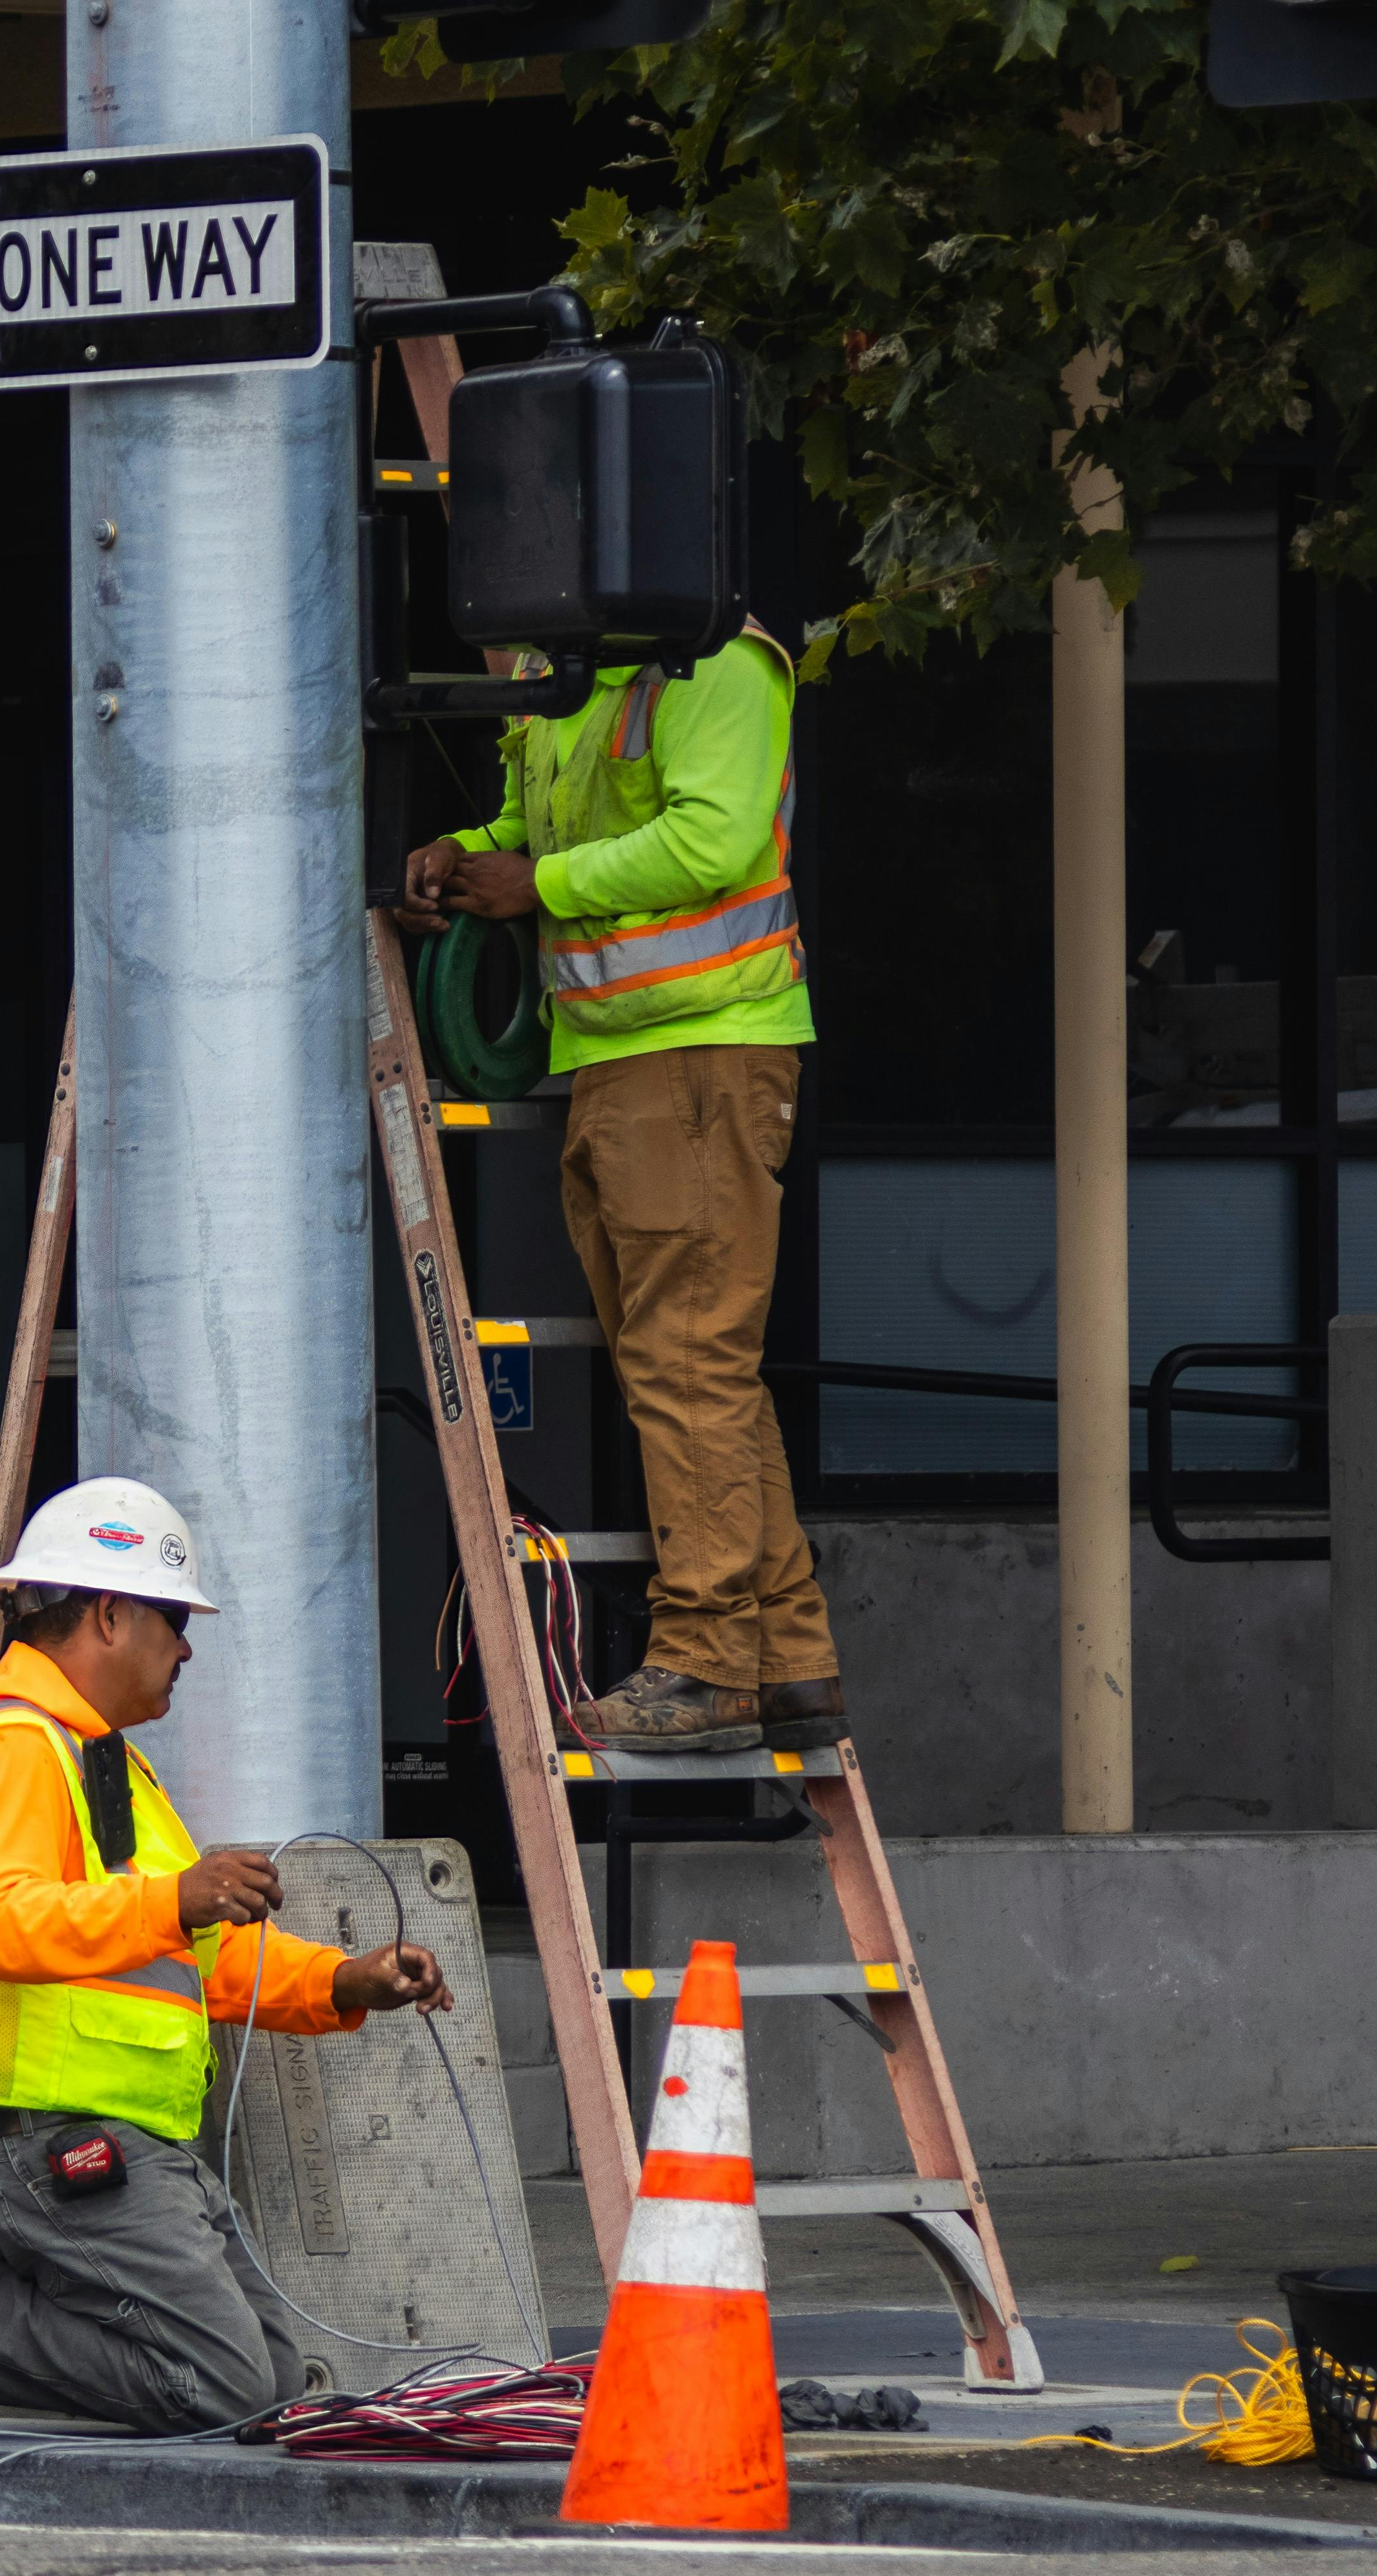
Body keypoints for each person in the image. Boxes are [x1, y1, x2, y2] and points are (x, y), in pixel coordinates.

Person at [0, 1475, 451, 2442]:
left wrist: (339, 1980)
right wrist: (174, 1895)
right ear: (108, 1614)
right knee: (231, 2385)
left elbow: (183, 1955)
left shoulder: (96, 1756)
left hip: (114, 2136)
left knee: (271, 2384)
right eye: (171, 1618)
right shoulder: (9, 1745)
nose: (186, 1645)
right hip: (41, 2136)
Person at [398, 619, 844, 1756]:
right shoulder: (582, 679)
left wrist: (531, 880)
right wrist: (469, 849)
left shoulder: (712, 663)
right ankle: (782, 1659)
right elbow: (546, 822)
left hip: (699, 1049)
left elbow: (714, 839)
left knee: (687, 1363)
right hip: (620, 1055)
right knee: (688, 1363)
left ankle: (703, 1662)